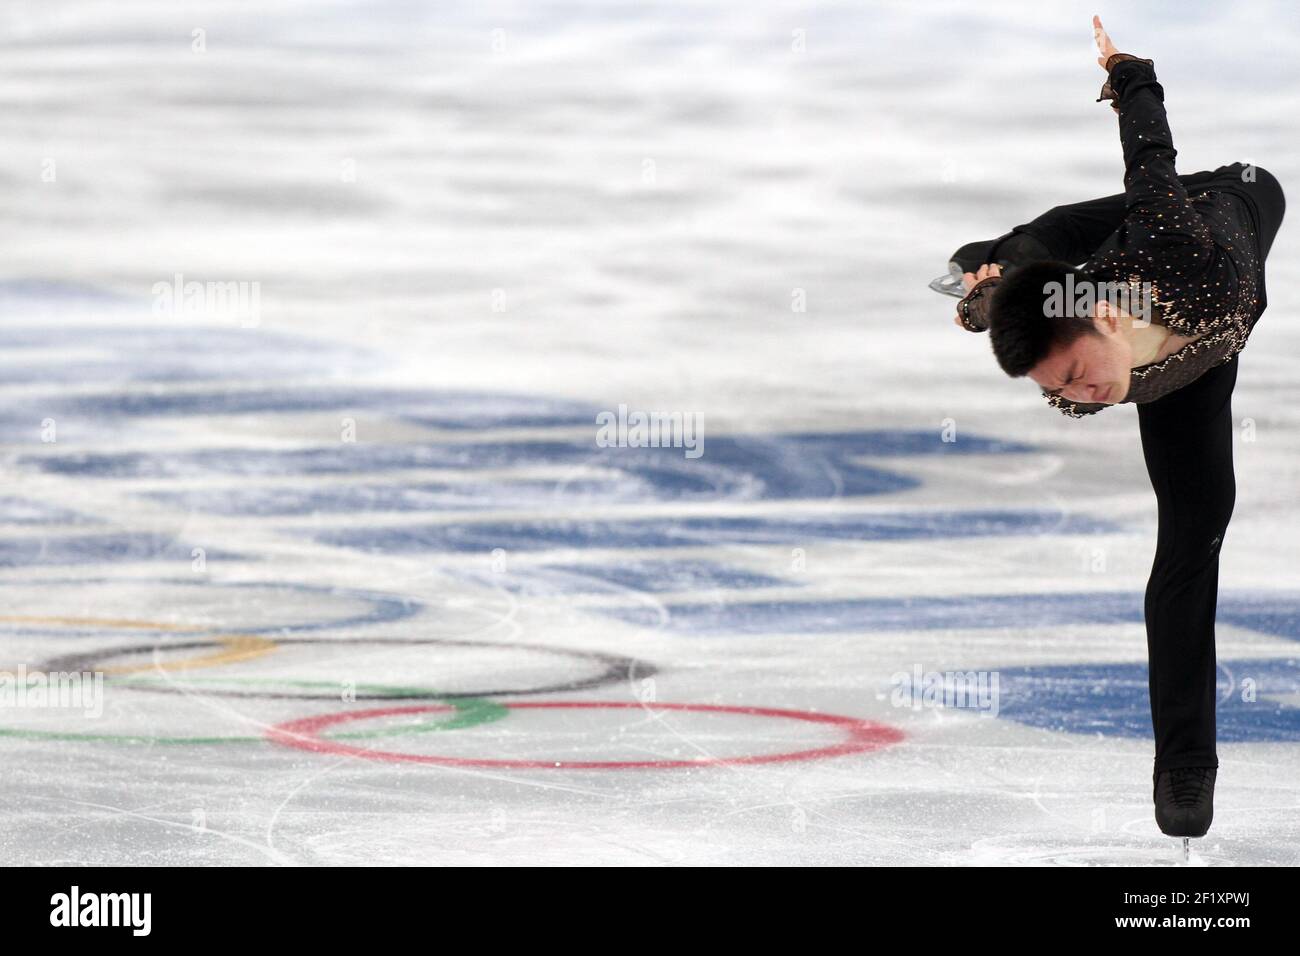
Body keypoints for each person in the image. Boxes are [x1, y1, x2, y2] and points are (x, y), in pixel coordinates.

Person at [942, 16, 1286, 840]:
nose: (1082, 395)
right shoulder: (1085, 361)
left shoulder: (1177, 258)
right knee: (1191, 541)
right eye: (1059, 387)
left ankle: (997, 266)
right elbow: (1072, 350)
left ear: (1102, 320)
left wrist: (1131, 75)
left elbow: (1150, 159)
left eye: (1075, 371)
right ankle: (1185, 768)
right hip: (1169, 359)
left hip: (1224, 210)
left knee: (1136, 211)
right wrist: (997, 299)